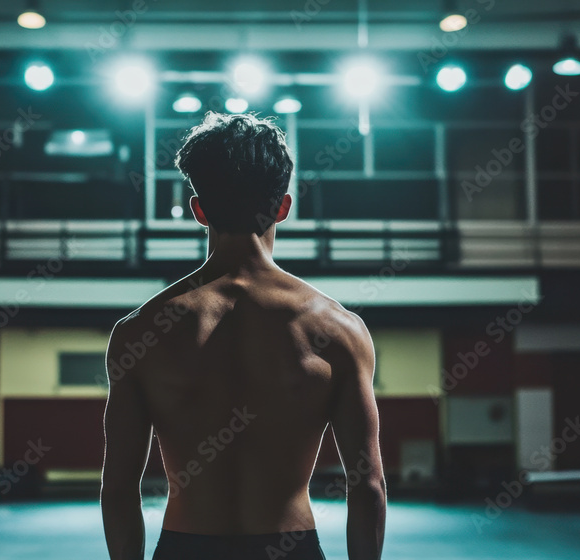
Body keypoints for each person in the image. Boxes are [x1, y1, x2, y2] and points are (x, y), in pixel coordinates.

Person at [101, 113, 386, 560]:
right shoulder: (338, 330)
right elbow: (368, 485)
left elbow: (118, 489)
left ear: (199, 210)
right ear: (283, 207)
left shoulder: (141, 332)